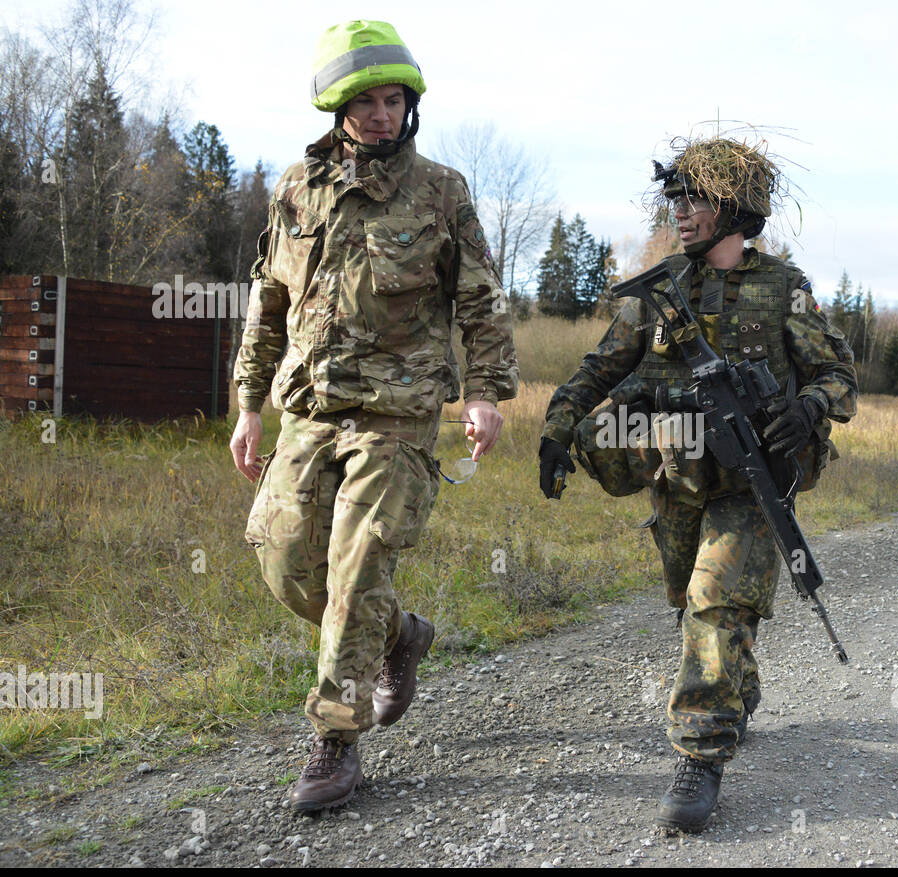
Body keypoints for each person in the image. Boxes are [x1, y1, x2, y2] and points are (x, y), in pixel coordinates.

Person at [229, 20, 517, 813]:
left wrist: (483, 392)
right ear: (337, 107)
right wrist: (248, 404)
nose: (383, 114)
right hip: (310, 411)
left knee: (357, 573)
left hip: (399, 414)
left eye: (395, 100)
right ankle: (399, 637)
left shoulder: (442, 192)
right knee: (286, 560)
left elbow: (481, 301)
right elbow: (269, 302)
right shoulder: (295, 189)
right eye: (367, 101)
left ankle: (335, 739)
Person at [538, 136, 856, 833]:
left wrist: (808, 409)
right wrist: (559, 426)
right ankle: (736, 686)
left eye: (697, 200)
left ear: (738, 210)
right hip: (676, 477)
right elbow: (602, 368)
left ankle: (700, 752)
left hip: (750, 479)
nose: (680, 213)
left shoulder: (783, 288)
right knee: (692, 605)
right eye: (675, 198)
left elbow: (839, 378)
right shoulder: (657, 292)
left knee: (715, 599)